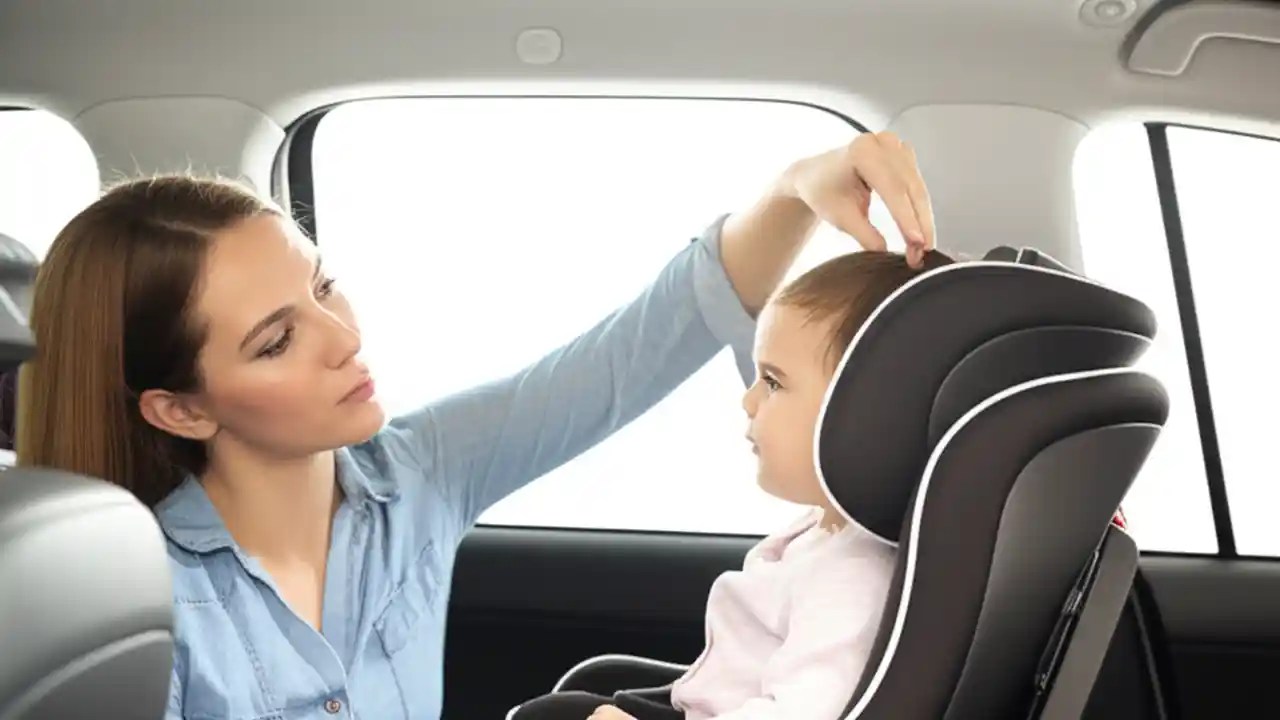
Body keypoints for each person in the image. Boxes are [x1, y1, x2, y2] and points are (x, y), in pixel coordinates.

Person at [16, 132, 935, 720]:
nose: (344, 338)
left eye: (324, 284)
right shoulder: (140, 603)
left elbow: (639, 349)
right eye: (276, 340)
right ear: (181, 408)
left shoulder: (421, 471)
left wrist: (793, 188)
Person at [511, 249, 955, 720]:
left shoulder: (853, 578)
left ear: (868, 415)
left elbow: (803, 711)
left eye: (773, 382)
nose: (748, 400)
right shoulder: (824, 533)